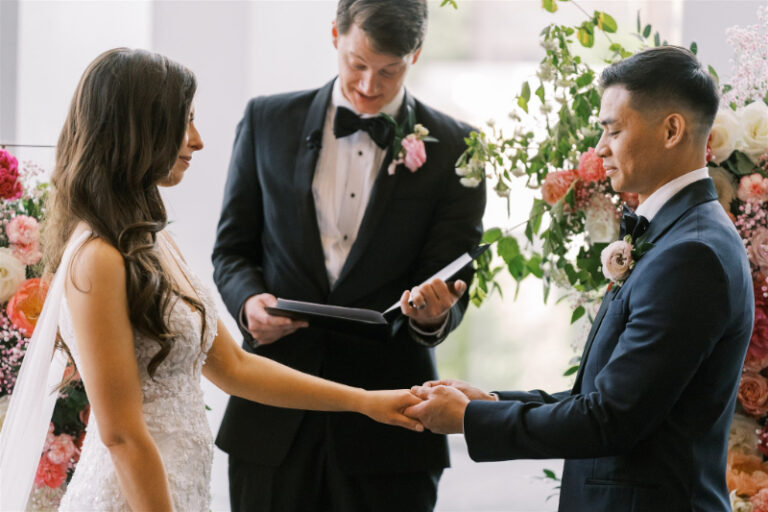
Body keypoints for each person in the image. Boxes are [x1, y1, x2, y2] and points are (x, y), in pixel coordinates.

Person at [0, 47, 426, 512]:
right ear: (137, 130)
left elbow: (234, 368)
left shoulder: (151, 243)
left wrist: (364, 402)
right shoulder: (98, 257)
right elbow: (121, 434)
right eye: (184, 122)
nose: (197, 140)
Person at [406, 46, 754, 511]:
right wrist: (488, 401)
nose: (600, 148)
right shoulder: (682, 234)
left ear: (672, 130)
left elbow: (611, 420)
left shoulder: (691, 253)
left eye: (613, 129)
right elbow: (602, 398)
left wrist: (471, 419)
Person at [212, 0, 486, 510]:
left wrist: (432, 315)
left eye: (388, 71)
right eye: (357, 64)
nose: (368, 85)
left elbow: (453, 275)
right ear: (334, 34)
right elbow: (231, 250)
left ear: (417, 54)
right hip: (272, 419)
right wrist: (249, 305)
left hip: (394, 426)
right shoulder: (266, 119)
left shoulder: (458, 148)